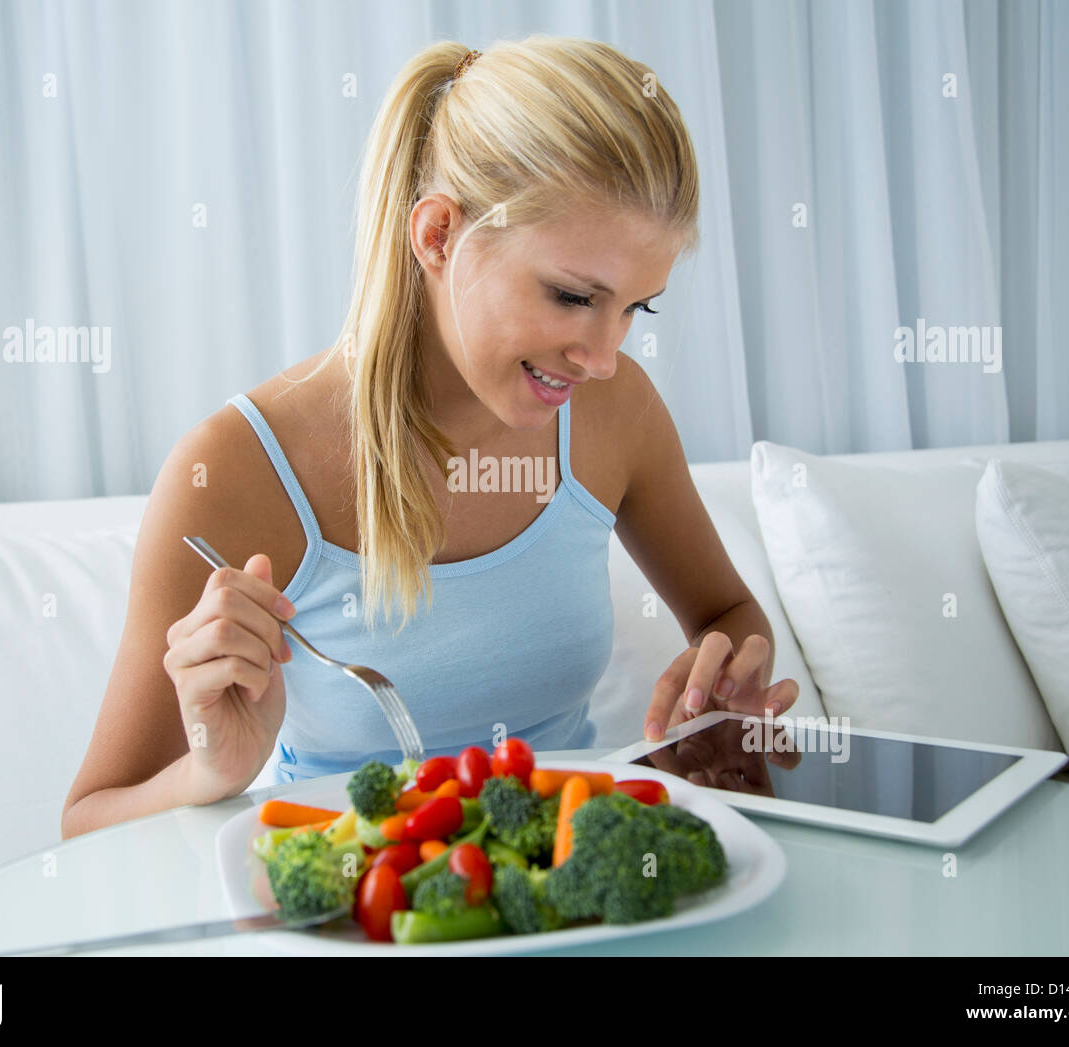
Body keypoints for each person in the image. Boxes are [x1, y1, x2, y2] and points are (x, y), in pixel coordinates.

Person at [62, 35, 799, 839]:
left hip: (574, 903)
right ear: (440, 235)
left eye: (636, 307)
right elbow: (88, 821)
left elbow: (727, 610)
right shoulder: (236, 470)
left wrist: (725, 695)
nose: (602, 355)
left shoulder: (613, 411)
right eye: (570, 296)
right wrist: (214, 772)